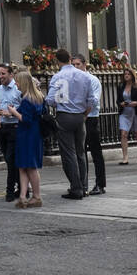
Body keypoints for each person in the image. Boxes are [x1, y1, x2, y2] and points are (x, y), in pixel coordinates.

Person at [47, 48, 92, 199]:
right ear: (70, 58)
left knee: (69, 154)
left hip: (64, 116)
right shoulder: (84, 76)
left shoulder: (58, 76)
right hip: (80, 116)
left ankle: (76, 188)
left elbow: (51, 100)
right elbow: (92, 100)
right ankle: (84, 187)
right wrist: (84, 114)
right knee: (80, 152)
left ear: (57, 61)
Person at [8, 71, 45, 208]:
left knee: (31, 167)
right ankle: (23, 197)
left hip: (28, 136)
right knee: (23, 167)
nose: (15, 84)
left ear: (23, 82)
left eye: (17, 81)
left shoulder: (28, 100)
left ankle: (36, 196)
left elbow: (26, 119)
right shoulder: (38, 97)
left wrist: (14, 112)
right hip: (31, 135)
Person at [73, 54, 106, 195]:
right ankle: (82, 184)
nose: (75, 68)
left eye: (78, 64)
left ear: (84, 64)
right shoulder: (73, 81)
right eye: (73, 65)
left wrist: (84, 115)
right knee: (80, 153)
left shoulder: (93, 80)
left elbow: (93, 101)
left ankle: (100, 184)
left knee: (95, 152)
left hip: (90, 119)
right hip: (78, 119)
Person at [0, 63, 22, 201]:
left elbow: (23, 110)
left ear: (11, 74)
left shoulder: (18, 89)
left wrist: (11, 114)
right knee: (8, 159)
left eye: (3, 74)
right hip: (4, 128)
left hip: (15, 128)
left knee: (11, 160)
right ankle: (23, 187)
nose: (0, 76)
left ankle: (10, 191)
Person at [117, 68, 137, 164]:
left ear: (132, 76)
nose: (126, 76)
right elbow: (118, 100)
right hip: (125, 112)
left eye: (128, 74)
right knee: (123, 134)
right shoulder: (121, 86)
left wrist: (136, 103)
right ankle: (125, 157)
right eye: (125, 74)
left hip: (136, 112)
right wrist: (121, 103)